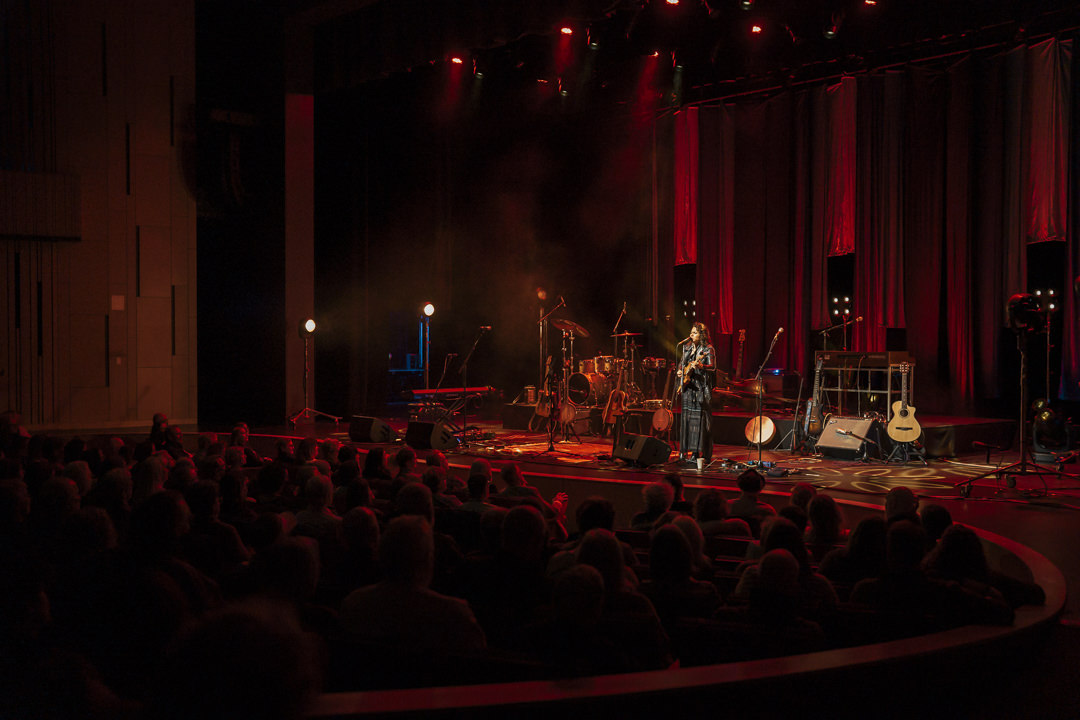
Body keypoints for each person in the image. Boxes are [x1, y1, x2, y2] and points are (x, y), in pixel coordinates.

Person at [675, 322, 715, 465]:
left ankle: (700, 453)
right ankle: (688, 452)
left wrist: (701, 366)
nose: (691, 335)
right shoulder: (686, 348)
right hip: (688, 389)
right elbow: (681, 364)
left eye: (695, 333)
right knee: (688, 421)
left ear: (702, 335)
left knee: (699, 423)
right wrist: (680, 371)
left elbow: (713, 367)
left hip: (700, 389)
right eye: (691, 332)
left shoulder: (708, 349)